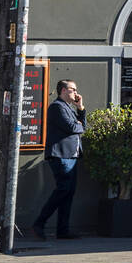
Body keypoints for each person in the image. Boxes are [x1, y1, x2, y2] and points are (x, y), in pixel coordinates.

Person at [33, 79, 86, 240]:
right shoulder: (57, 107)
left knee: (68, 193)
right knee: (63, 190)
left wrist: (81, 109)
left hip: (72, 156)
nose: (76, 93)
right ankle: (39, 223)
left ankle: (62, 230)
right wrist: (78, 124)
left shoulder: (69, 108)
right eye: (73, 89)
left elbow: (82, 126)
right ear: (63, 90)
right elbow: (73, 128)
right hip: (61, 155)